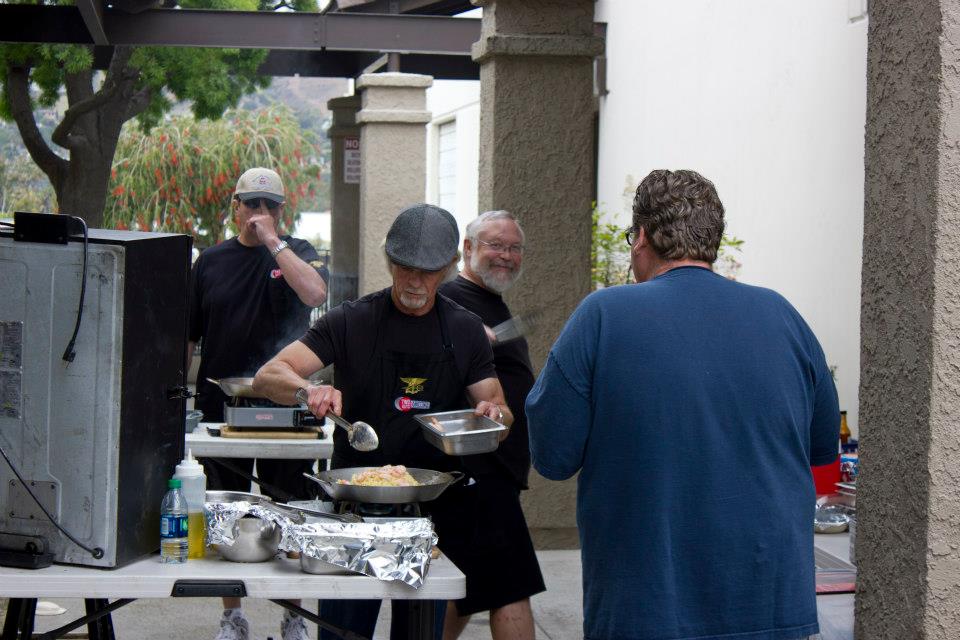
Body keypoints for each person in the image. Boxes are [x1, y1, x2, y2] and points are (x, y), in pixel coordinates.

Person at [526, 169, 840, 640]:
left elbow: (552, 457)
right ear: (713, 239)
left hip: (647, 607)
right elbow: (822, 450)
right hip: (770, 603)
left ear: (643, 237)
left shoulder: (603, 315)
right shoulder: (784, 316)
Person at [252, 203, 513, 640]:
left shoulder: (465, 330)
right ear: (390, 261)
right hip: (354, 510)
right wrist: (307, 390)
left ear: (449, 267)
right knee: (342, 633)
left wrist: (493, 416)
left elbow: (498, 409)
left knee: (418, 633)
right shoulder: (353, 320)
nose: (414, 281)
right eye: (405, 267)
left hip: (432, 512)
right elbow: (268, 375)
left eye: (428, 271)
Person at [188, 167, 327, 640]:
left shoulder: (297, 253)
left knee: (291, 510)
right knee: (226, 513)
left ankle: (294, 615)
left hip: (285, 401)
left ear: (283, 211)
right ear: (235, 206)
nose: (260, 214)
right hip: (221, 399)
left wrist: (274, 243)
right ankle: (233, 615)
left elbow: (315, 294)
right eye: (252, 204)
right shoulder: (209, 261)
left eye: (271, 206)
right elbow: (188, 335)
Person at [437, 210, 545, 640]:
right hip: (478, 469)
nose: (507, 255)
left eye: (514, 247)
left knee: (465, 585)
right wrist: (457, 331)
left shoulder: (488, 301)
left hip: (492, 466)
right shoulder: (450, 300)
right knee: (510, 586)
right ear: (468, 249)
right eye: (496, 245)